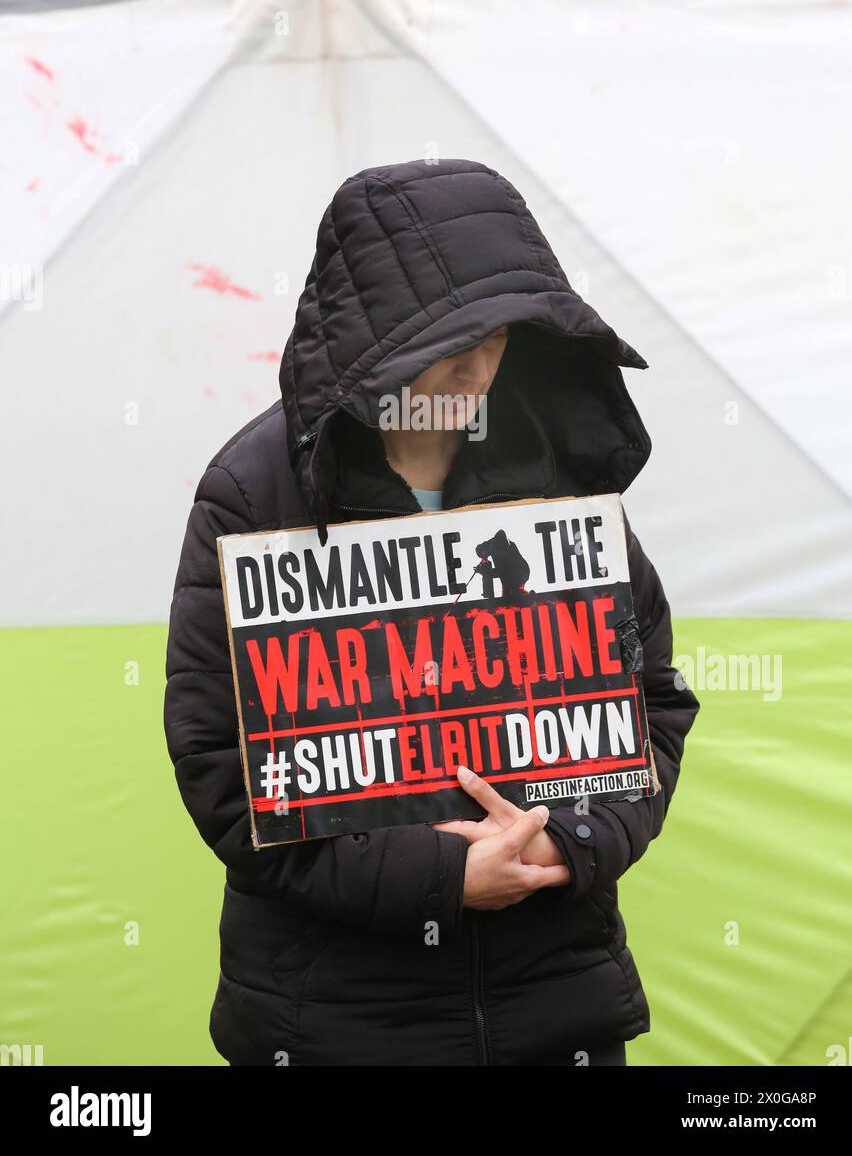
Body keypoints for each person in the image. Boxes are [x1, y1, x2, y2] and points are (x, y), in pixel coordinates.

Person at [163, 157, 700, 1067]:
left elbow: (650, 708)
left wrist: (569, 844)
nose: (480, 374)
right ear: (373, 347)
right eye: (449, 351)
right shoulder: (250, 494)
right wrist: (442, 878)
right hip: (333, 1028)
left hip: (556, 1015)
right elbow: (223, 770)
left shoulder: (556, 475)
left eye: (498, 341)